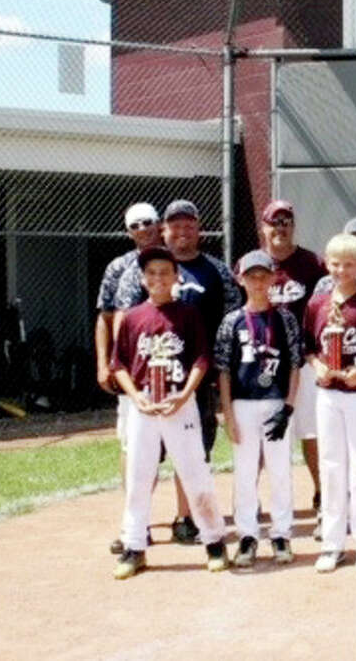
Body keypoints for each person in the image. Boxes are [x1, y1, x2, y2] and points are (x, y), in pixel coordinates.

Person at [114, 199, 241, 544]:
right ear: (164, 230)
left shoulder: (217, 270)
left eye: (189, 224)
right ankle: (138, 526)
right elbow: (124, 318)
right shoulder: (141, 269)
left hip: (196, 377)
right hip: (145, 378)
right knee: (140, 454)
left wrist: (219, 368)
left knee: (193, 451)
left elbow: (231, 321)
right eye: (175, 225)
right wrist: (127, 377)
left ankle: (186, 518)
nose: (182, 231)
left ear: (199, 230)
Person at [110, 246, 228, 579]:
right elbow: (119, 365)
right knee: (139, 475)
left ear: (177, 277)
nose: (158, 278)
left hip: (179, 399)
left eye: (165, 272)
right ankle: (134, 545)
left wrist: (186, 394)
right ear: (142, 279)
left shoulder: (188, 314)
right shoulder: (132, 317)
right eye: (151, 273)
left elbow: (201, 359)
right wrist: (136, 397)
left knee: (195, 471)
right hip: (145, 403)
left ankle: (214, 541)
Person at [304, 234, 356, 574]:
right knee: (331, 466)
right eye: (336, 263)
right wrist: (318, 366)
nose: (342, 270)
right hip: (329, 393)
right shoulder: (318, 303)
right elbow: (309, 347)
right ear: (326, 263)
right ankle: (333, 542)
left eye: (349, 264)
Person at [215, 251, 302, 569]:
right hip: (243, 404)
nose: (258, 282)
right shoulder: (232, 320)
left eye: (263, 276)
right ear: (241, 280)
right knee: (245, 471)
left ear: (273, 279)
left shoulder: (285, 318)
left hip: (276, 402)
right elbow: (224, 370)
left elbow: (295, 364)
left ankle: (281, 533)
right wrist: (227, 414)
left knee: (280, 470)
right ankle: (247, 535)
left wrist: (288, 407)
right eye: (251, 276)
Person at [95, 203, 161, 556]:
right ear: (128, 231)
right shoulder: (118, 267)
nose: (143, 229)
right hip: (133, 372)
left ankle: (189, 518)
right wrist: (103, 363)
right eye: (135, 225)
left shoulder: (173, 263)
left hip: (172, 370)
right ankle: (137, 521)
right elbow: (105, 318)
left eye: (148, 222)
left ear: (159, 224)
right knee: (132, 447)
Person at [258, 199, 327, 518]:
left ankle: (322, 492)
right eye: (274, 222)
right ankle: (252, 497)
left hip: (305, 359)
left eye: (286, 221)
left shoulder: (312, 263)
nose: (280, 228)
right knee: (264, 432)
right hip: (264, 362)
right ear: (264, 227)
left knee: (312, 431)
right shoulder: (254, 264)